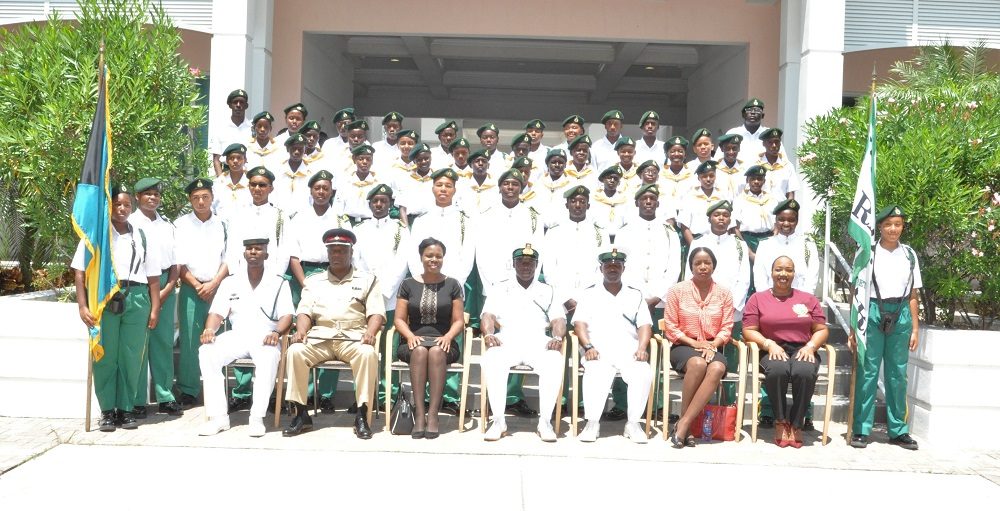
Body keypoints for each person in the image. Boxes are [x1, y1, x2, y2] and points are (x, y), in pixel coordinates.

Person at [73, 183, 162, 431]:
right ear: (108, 206)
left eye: (126, 205)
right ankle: (107, 411)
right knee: (106, 356)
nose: (122, 209)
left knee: (132, 357)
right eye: (117, 204)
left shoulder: (141, 235)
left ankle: (125, 409)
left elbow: (153, 276)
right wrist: (82, 306)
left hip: (137, 298)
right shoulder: (97, 235)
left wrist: (155, 308)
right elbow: (80, 273)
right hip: (105, 299)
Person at [282, 228, 385, 439]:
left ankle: (362, 414)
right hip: (321, 336)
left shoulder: (367, 280)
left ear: (351, 253)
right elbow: (304, 311)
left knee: (367, 354)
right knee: (295, 352)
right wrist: (301, 332)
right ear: (327, 253)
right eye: (332, 251)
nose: (336, 255)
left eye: (341, 251)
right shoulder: (314, 281)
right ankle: (301, 413)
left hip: (353, 336)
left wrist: (371, 333)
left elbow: (376, 313)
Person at [197, 237, 293, 437]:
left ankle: (257, 418)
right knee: (207, 351)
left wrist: (276, 333)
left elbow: (287, 316)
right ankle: (219, 418)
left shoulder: (279, 282)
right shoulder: (230, 281)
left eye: (259, 249)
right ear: (244, 254)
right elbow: (216, 313)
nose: (253, 252)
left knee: (268, 358)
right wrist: (210, 330)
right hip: (237, 335)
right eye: (249, 249)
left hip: (266, 336)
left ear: (266, 254)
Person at [849, 205, 922, 451]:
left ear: (903, 227)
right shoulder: (867, 252)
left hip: (900, 313)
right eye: (888, 224)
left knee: (897, 374)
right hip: (871, 312)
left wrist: (914, 328)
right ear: (879, 226)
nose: (893, 229)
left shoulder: (909, 254)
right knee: (868, 372)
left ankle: (898, 430)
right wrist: (853, 328)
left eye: (898, 224)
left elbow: (913, 294)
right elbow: (856, 291)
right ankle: (861, 428)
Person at [406, 168, 477, 414]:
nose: (443, 189)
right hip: (424, 284)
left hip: (452, 285)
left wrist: (453, 282)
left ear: (455, 189)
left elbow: (468, 254)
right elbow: (415, 255)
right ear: (432, 188)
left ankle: (449, 395)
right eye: (439, 185)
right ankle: (425, 395)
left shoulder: (464, 219)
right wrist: (423, 281)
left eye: (448, 185)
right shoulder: (423, 220)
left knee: (450, 336)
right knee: (425, 336)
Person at [480, 244, 566, 442]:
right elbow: (488, 315)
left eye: (530, 263)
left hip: (538, 340)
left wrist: (557, 338)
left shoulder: (548, 290)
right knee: (492, 358)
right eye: (521, 262)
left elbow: (559, 320)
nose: (525, 267)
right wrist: (488, 334)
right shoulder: (500, 288)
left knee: (554, 360)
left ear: (537, 265)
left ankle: (545, 421)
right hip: (508, 338)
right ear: (514, 264)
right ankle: (498, 421)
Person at [742, 256, 829, 448]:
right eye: (779, 270)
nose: (783, 274)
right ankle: (780, 421)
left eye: (788, 270)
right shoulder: (757, 299)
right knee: (779, 370)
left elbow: (821, 329)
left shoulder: (808, 299)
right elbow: (748, 330)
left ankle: (797, 423)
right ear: (771, 273)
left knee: (804, 371)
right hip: (771, 347)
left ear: (794, 273)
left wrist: (811, 346)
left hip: (802, 348)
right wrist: (768, 343)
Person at [573, 248, 653, 444]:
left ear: (624, 268)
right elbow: (579, 324)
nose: (613, 268)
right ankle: (592, 424)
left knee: (643, 372)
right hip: (597, 350)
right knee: (595, 371)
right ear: (601, 268)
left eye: (617, 265)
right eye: (608, 265)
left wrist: (642, 348)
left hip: (629, 350)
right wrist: (588, 346)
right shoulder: (588, 294)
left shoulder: (635, 295)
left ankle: (633, 424)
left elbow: (644, 325)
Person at [662, 247, 735, 448]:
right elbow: (670, 325)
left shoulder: (724, 293)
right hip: (684, 345)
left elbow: (727, 327)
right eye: (698, 263)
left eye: (707, 263)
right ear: (691, 266)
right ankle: (687, 427)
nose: (703, 267)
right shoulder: (677, 290)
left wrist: (713, 344)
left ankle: (684, 423)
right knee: (697, 363)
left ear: (714, 266)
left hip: (713, 345)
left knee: (717, 368)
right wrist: (694, 343)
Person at [393, 238, 465, 439]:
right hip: (412, 340)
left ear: (443, 258)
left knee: (434, 351)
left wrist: (449, 336)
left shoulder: (452, 284)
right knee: (419, 350)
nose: (434, 260)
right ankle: (419, 413)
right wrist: (409, 336)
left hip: (444, 341)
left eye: (438, 256)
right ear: (421, 257)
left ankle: (433, 414)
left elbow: (459, 320)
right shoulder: (407, 284)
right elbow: (399, 319)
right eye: (429, 256)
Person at [128, 178, 182, 417]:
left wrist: (168, 288)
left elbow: (176, 262)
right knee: (139, 344)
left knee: (162, 343)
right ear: (137, 197)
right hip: (138, 287)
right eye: (147, 194)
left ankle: (165, 396)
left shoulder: (168, 225)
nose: (152, 198)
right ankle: (137, 400)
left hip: (164, 285)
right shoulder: (128, 224)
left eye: (156, 194)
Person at [174, 178, 229, 408]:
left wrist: (214, 283)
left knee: (219, 338)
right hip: (191, 287)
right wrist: (197, 285)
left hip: (218, 287)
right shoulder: (180, 225)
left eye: (205, 197)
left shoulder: (223, 224)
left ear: (212, 198)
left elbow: (228, 259)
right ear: (190, 200)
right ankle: (188, 389)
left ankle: (219, 390)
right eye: (196, 197)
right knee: (189, 340)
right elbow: (179, 262)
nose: (201, 201)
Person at [353, 184, 411, 404]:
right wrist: (368, 290)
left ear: (390, 204)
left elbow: (402, 262)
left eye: (384, 201)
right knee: (364, 347)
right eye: (375, 201)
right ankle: (364, 396)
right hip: (365, 296)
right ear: (369, 204)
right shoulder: (359, 230)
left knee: (390, 348)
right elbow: (355, 261)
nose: (379, 205)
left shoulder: (400, 229)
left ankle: (389, 394)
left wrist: (385, 290)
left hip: (390, 295)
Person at [752, 199, 819, 295]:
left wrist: (804, 300)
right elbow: (760, 277)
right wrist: (766, 300)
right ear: (776, 220)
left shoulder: (808, 245)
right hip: (771, 299)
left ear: (797, 221)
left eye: (791, 220)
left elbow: (812, 277)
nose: (786, 223)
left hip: (800, 301)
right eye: (781, 219)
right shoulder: (765, 245)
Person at [211, 89, 251, 177]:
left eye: (241, 102)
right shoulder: (220, 128)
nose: (238, 105)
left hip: (248, 174)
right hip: (225, 173)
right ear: (230, 105)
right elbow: (216, 159)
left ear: (246, 105)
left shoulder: (252, 128)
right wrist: (221, 179)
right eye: (235, 102)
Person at [754, 128, 799, 200]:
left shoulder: (787, 166)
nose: (774, 145)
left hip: (781, 209)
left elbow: (790, 194)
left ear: (780, 143)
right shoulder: (756, 165)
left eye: (777, 142)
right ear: (763, 144)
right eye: (770, 142)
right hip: (761, 208)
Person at [212, 143, 252, 222]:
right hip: (222, 227)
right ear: (227, 161)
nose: (235, 161)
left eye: (239, 158)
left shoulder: (252, 181)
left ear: (245, 160)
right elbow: (211, 207)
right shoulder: (219, 182)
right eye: (231, 158)